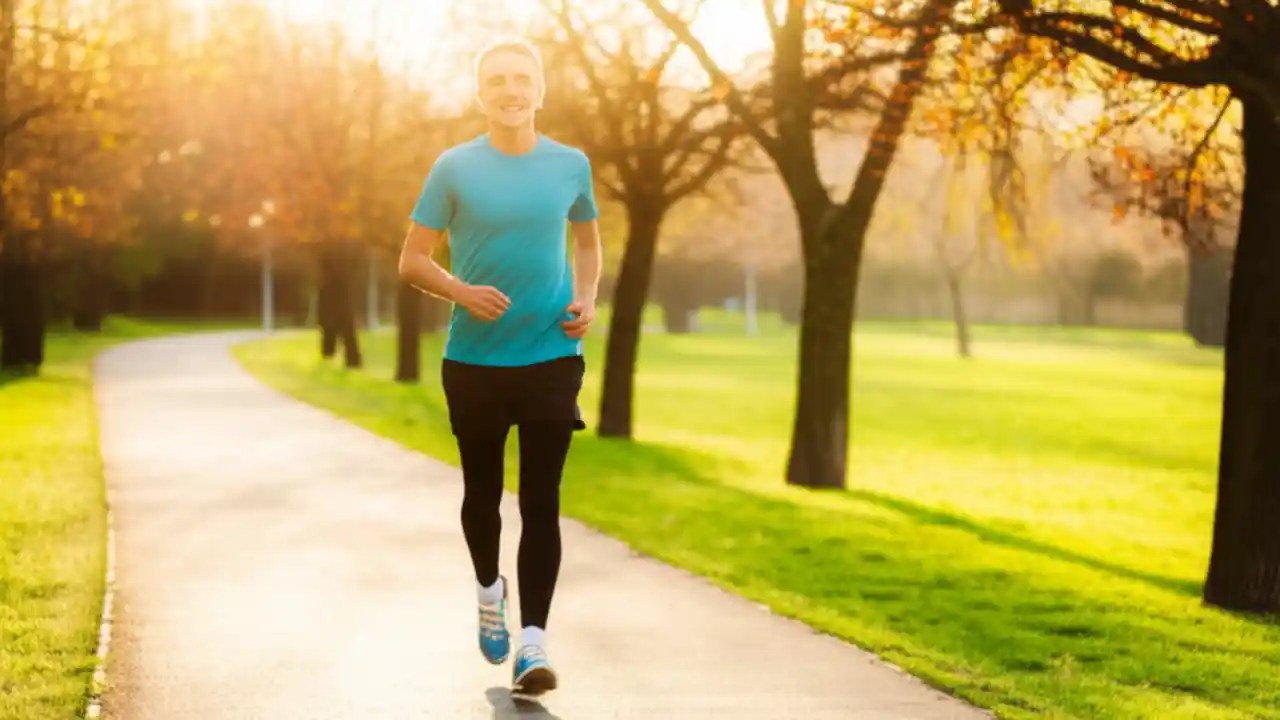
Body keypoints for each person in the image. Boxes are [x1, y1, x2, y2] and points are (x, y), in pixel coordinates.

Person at [396, 37, 602, 700]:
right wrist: (461, 292)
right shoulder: (454, 168)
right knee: (482, 497)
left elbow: (589, 239)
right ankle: (490, 591)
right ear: (480, 94)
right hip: (475, 363)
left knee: (541, 502)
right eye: (497, 81)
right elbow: (412, 260)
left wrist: (588, 298)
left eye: (522, 80)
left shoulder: (571, 165)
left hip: (550, 354)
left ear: (540, 91)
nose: (511, 91)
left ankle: (532, 645)